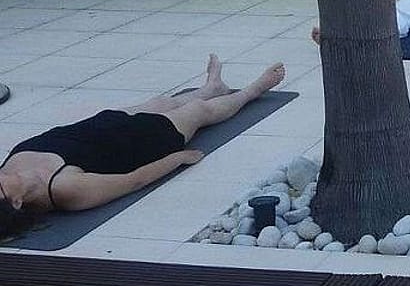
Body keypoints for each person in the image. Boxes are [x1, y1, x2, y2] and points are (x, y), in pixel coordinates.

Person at [0, 55, 285, 239]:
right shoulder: (65, 189)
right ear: (16, 202)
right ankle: (253, 91)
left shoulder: (9, 168)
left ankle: (212, 88)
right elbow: (132, 180)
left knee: (161, 102)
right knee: (198, 111)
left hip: (101, 126)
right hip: (140, 142)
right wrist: (177, 159)